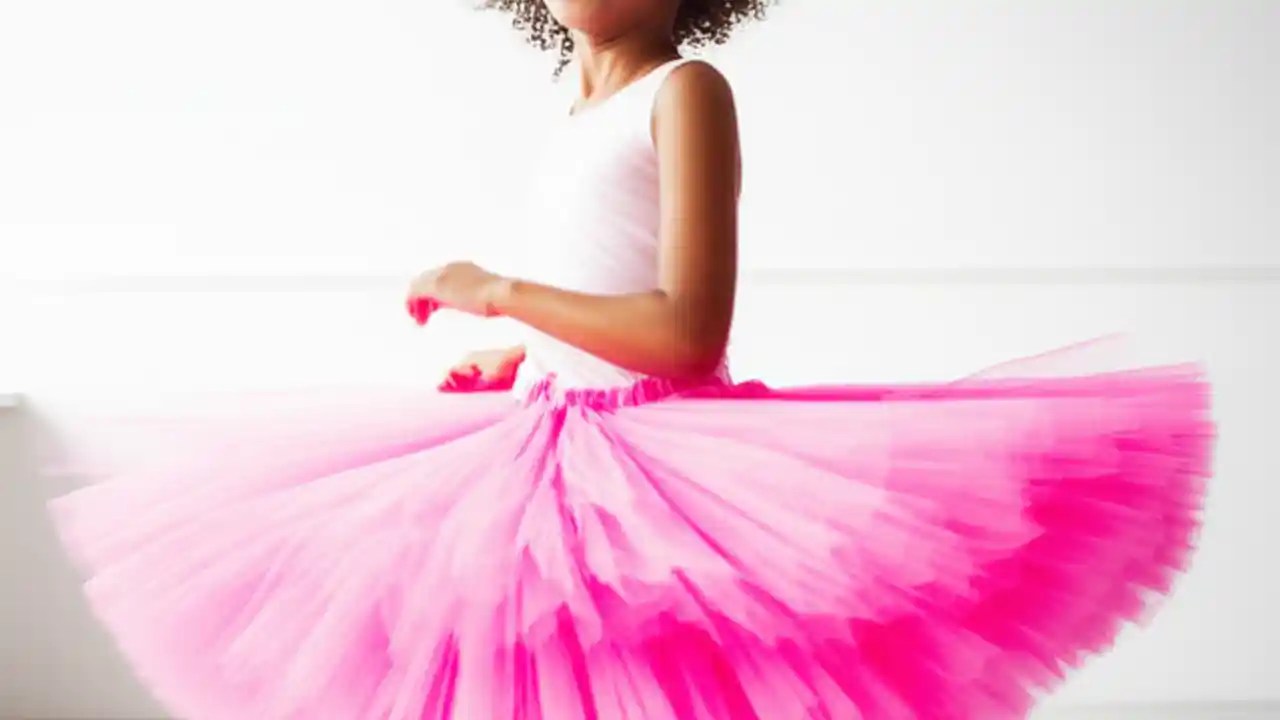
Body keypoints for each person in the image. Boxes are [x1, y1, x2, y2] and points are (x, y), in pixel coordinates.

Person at [49, 1, 1215, 718]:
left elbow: (685, 335)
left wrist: (494, 288)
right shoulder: (572, 109)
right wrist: (524, 349)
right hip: (550, 438)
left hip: (654, 465)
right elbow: (609, 290)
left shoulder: (686, 90)